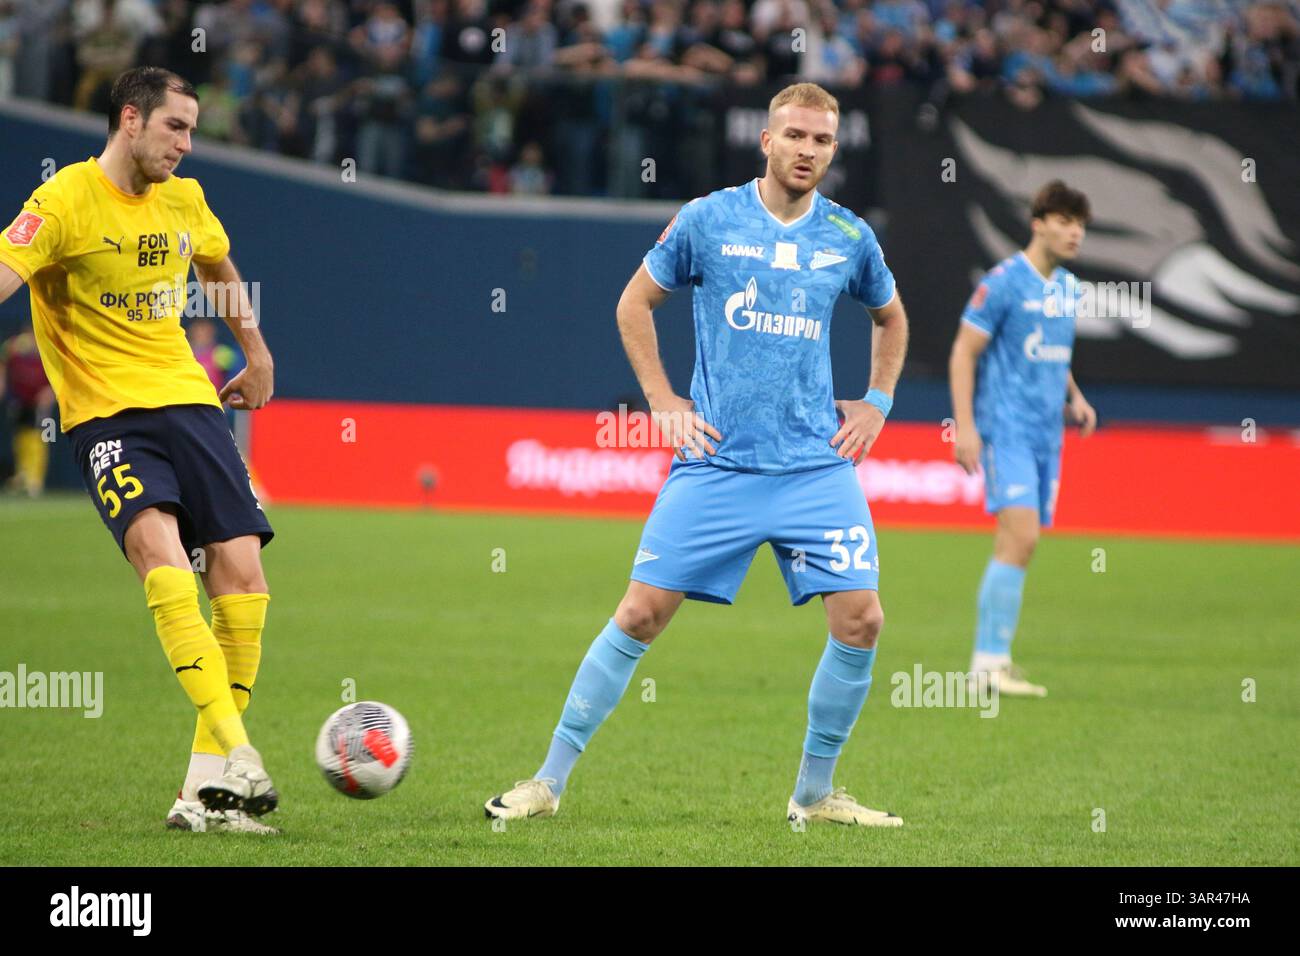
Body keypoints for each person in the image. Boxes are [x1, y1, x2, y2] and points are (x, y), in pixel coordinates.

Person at [486, 82, 911, 827]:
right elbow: (633, 304)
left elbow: (891, 317)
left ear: (833, 149)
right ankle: (547, 782)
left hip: (815, 466)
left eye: (822, 140)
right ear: (767, 140)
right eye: (796, 136)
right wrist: (663, 403)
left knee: (863, 620)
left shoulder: (849, 238)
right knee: (641, 614)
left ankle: (814, 796)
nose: (808, 150)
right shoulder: (709, 220)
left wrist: (876, 402)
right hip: (717, 464)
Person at [0, 66, 280, 833]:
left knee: (244, 580)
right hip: (107, 419)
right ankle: (241, 753)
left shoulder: (184, 199)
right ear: (131, 119)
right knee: (163, 565)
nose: (186, 145)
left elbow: (217, 264)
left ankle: (205, 797)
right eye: (175, 128)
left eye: (192, 130)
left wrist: (254, 352)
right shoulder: (62, 203)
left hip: (189, 404)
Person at [948, 180, 1098, 698]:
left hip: (1045, 435)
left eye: (1080, 224)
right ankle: (985, 666)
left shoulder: (1068, 288)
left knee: (1022, 544)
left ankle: (995, 662)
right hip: (1005, 428)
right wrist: (965, 426)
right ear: (1039, 223)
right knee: (1021, 537)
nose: (1074, 232)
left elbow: (1054, 352)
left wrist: (1073, 396)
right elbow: (964, 352)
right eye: (1064, 221)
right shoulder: (1004, 282)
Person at [0, 318, 54, 495]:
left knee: (45, 437)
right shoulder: (15, 346)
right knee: (21, 436)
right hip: (20, 400)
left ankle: (35, 479)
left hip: (42, 403)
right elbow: (5, 361)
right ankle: (23, 475)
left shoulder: (49, 344)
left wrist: (51, 392)